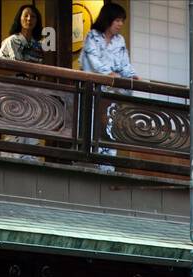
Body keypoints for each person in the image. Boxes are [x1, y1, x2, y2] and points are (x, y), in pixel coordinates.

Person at [79, 2, 137, 172]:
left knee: (109, 128)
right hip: (92, 91)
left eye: (122, 21)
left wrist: (132, 75)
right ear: (108, 19)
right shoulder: (93, 36)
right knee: (90, 127)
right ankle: (88, 163)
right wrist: (109, 74)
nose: (120, 24)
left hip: (111, 95)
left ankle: (106, 166)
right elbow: (93, 61)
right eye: (117, 20)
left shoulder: (120, 41)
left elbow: (125, 64)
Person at [0, 4, 45, 161]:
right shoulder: (11, 41)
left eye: (33, 16)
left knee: (32, 130)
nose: (29, 19)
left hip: (33, 93)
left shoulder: (38, 46)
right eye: (26, 16)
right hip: (13, 91)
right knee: (14, 131)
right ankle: (10, 162)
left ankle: (31, 163)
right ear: (20, 18)